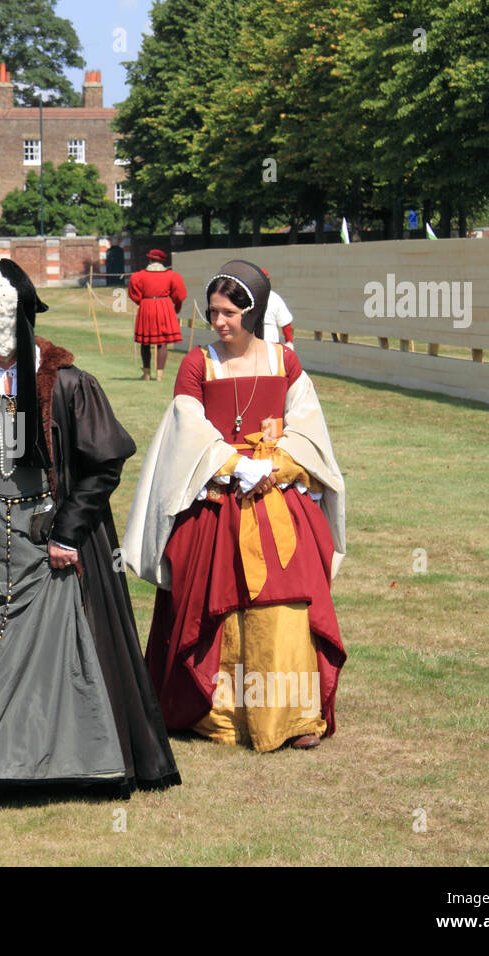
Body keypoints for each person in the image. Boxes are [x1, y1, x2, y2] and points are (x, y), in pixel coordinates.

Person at [0, 258, 180, 815]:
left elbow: (102, 466)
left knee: (49, 658)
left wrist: (69, 531)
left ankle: (53, 766)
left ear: (0, 318)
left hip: (50, 546)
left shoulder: (65, 385)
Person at [123, 260, 346, 753]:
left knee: (290, 599)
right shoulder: (198, 362)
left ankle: (294, 716)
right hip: (218, 494)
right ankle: (217, 714)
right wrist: (230, 463)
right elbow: (187, 424)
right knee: (213, 595)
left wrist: (280, 465)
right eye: (212, 312)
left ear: (253, 310)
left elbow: (307, 423)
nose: (217, 322)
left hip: (278, 496)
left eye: (227, 312)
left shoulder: (284, 361)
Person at [129, 248, 187, 382]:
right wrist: (176, 308)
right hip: (164, 306)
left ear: (149, 259)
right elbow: (179, 295)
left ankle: (147, 374)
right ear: (162, 261)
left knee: (145, 341)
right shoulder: (172, 276)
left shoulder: (139, 276)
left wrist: (144, 302)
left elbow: (134, 293)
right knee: (162, 342)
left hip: (147, 306)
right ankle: (159, 375)